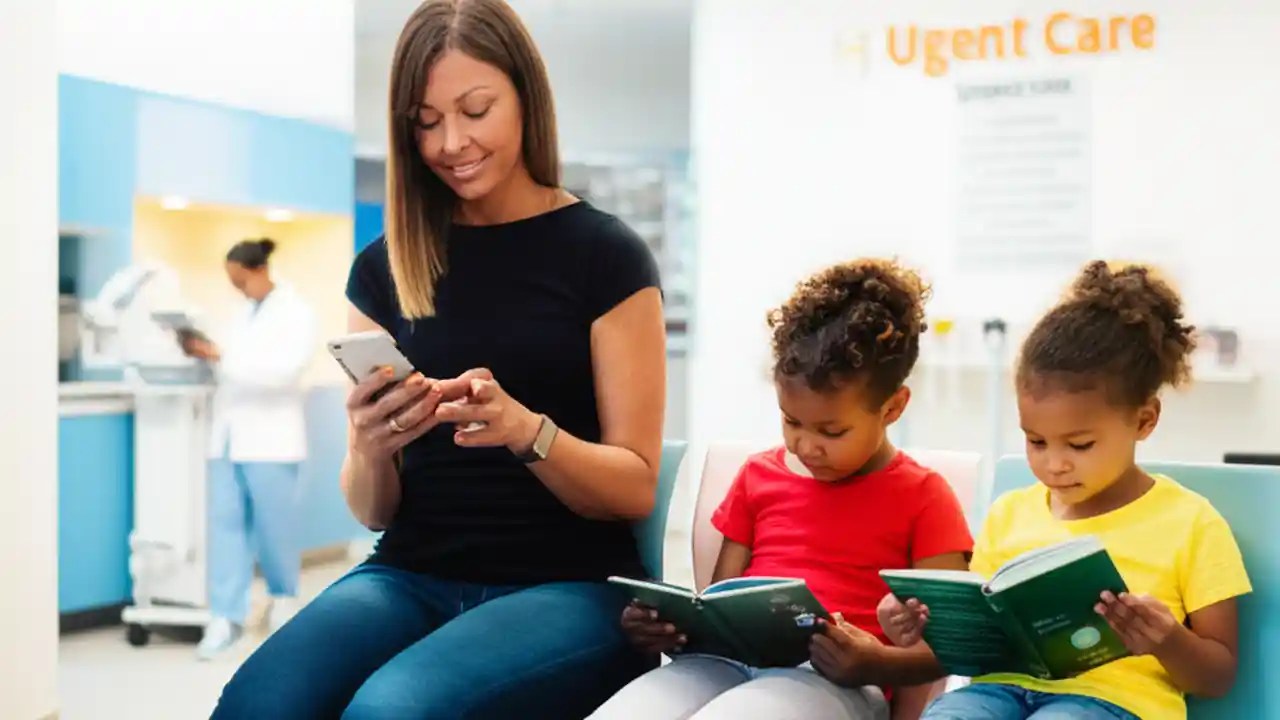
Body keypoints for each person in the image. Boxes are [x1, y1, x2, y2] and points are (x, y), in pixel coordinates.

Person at [210, 0, 666, 717]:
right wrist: (369, 444)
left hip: (568, 585)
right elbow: (371, 511)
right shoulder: (383, 270)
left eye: (475, 109)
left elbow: (635, 487)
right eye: (426, 121)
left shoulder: (605, 255)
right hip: (410, 572)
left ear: (524, 95)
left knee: (392, 710)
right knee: (258, 703)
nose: (452, 141)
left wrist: (527, 431)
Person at [590, 259, 974, 720]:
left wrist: (877, 662)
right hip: (723, 663)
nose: (806, 445)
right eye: (791, 421)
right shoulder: (758, 476)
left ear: (893, 407)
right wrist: (669, 628)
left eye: (831, 432)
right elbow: (719, 605)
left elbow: (956, 644)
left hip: (835, 681)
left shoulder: (925, 496)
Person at [879, 261, 1253, 720]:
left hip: (1113, 703)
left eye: (1080, 444)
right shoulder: (1009, 513)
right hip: (997, 692)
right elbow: (978, 635)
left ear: (1144, 420)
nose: (1053, 464)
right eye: (1036, 441)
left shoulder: (1192, 523)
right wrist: (918, 625)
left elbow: (1218, 677)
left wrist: (1169, 640)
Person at [181, 237, 317, 660]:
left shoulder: (295, 312)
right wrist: (206, 354)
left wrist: (221, 356)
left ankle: (283, 600)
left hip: (271, 438)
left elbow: (284, 372)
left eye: (239, 279)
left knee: (274, 529)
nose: (236, 288)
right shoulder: (241, 313)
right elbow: (229, 365)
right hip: (227, 438)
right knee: (224, 527)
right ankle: (225, 616)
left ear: (257, 270)